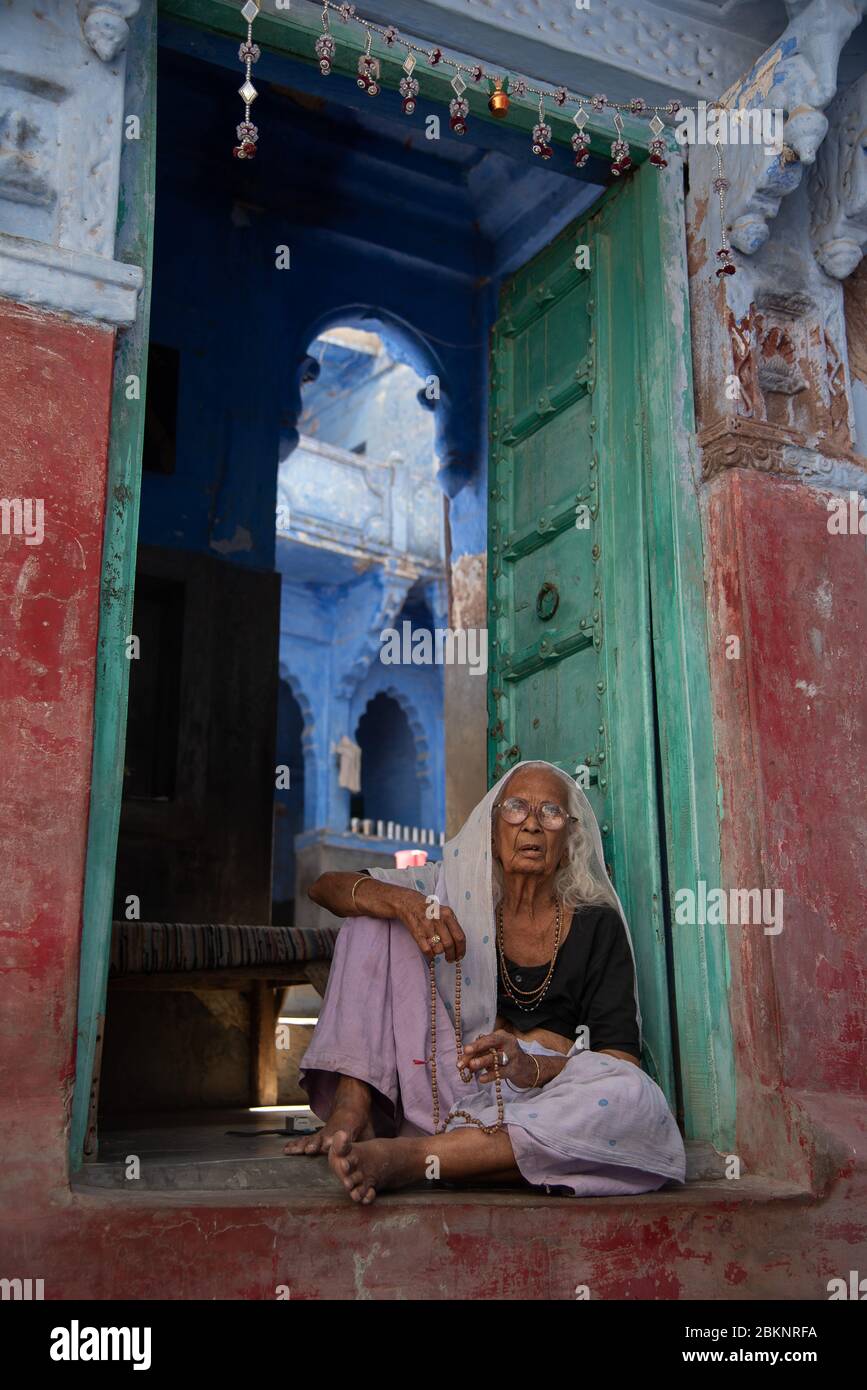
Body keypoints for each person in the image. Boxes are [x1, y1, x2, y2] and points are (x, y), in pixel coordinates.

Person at [284, 759, 686, 1203]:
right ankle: (353, 1108)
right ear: (491, 835)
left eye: (550, 813)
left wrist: (530, 1065)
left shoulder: (596, 925)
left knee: (634, 1096)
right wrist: (407, 903)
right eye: (516, 808)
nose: (532, 825)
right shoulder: (452, 891)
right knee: (374, 917)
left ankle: (413, 1160)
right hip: (449, 1085)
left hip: (546, 1097)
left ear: (569, 842)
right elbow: (325, 889)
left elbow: (618, 1060)